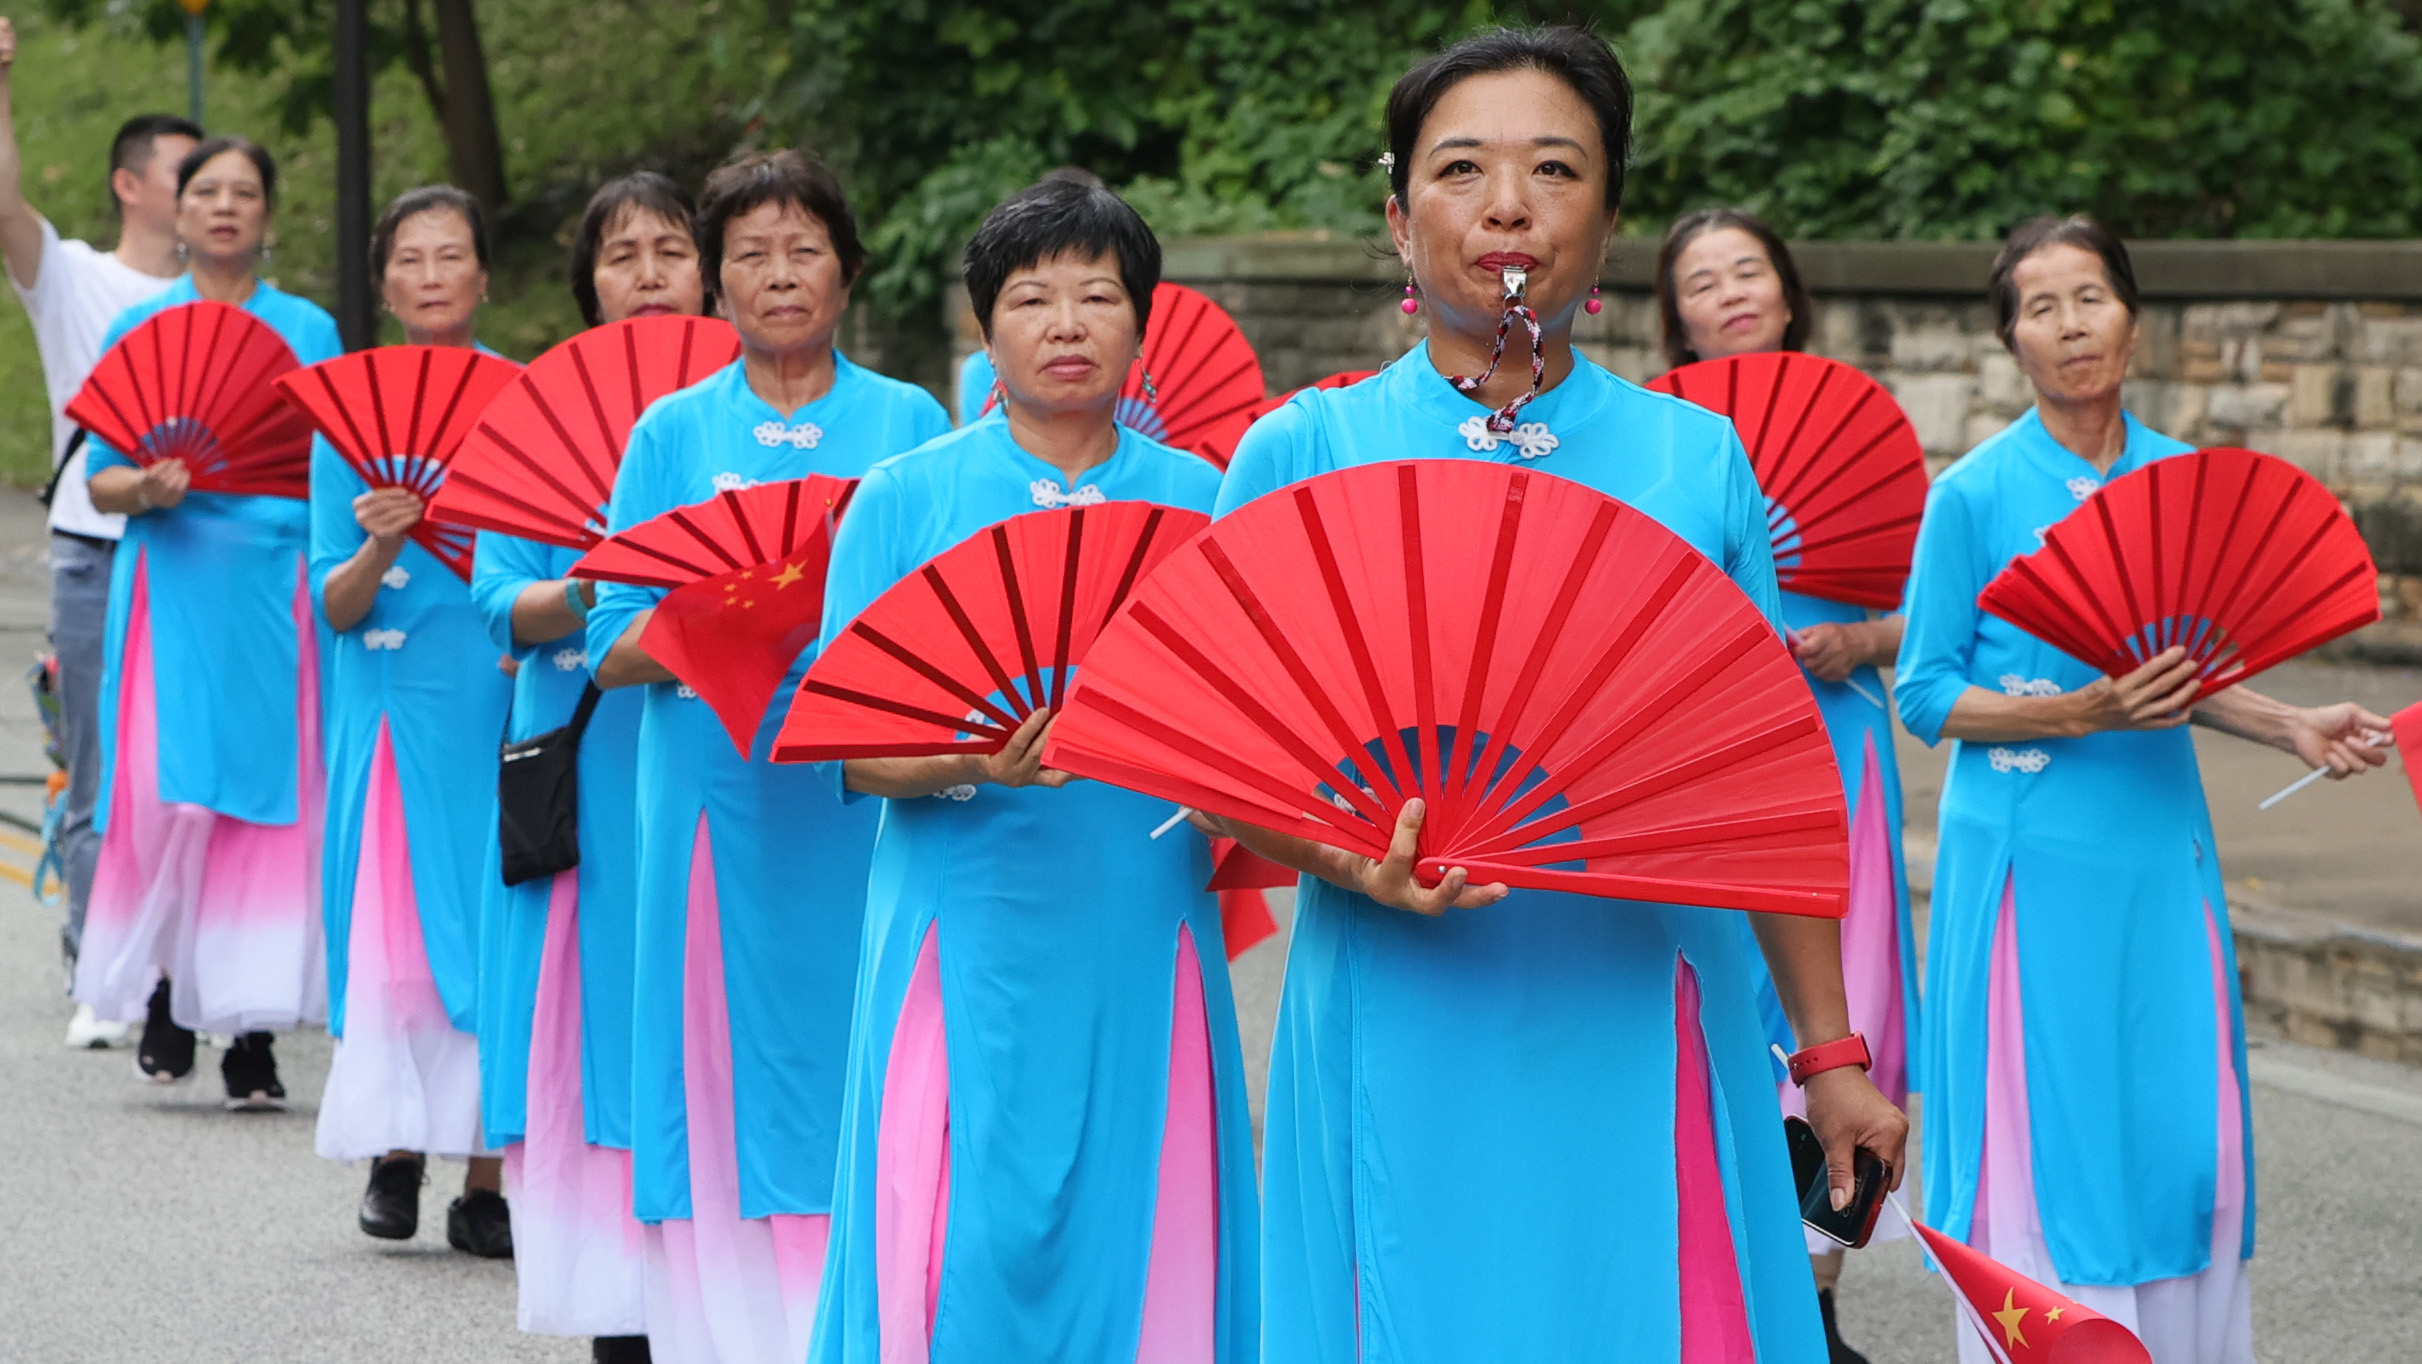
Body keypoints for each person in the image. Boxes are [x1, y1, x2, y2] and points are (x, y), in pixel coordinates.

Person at [1213, 27, 1907, 1361]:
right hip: (1399, 1007)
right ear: (1396, 214)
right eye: (1460, 169)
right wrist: (1346, 860)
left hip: (1645, 996)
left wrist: (1828, 1056)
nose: (1508, 206)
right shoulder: (1304, 449)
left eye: (1554, 167)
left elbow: (1754, 779)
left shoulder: (1692, 459)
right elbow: (1217, 759)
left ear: (1608, 212)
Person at [1896, 215, 2388, 1364]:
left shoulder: (2181, 481)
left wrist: (2291, 724)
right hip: (2026, 853)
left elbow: (2185, 674)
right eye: (2040, 307)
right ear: (2009, 338)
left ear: (2131, 312)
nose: (2070, 327)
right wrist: (2076, 712)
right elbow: (1922, 696)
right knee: (2052, 1121)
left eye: (2090, 298)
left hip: (2157, 843)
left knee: (2169, 1114)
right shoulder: (1971, 495)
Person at [808, 178, 1257, 1364]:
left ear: (1141, 324)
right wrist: (969, 757)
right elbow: (845, 746)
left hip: (1137, 897)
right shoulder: (905, 498)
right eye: (1032, 298)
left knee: (1138, 1181)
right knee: (963, 1202)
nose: (1067, 323)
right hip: (962, 903)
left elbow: (1254, 725)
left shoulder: (1206, 503)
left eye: (1098, 295)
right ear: (984, 329)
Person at [586, 149, 949, 1364]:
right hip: (710, 797)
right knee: (718, 1069)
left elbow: (945, 619)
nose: (779, 275)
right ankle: (718, 1331)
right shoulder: (668, 432)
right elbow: (604, 646)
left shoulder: (908, 424)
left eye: (803, 249)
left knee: (863, 1049)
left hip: (861, 802)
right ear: (717, 282)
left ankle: (866, 1323)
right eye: (750, 253)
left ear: (847, 270)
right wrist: (721, 622)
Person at [1656, 205, 1917, 1364]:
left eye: (1745, 269)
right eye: (1700, 280)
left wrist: (1861, 641)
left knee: (1841, 1004)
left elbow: (1954, 613)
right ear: (1675, 309)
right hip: (1706, 762)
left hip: (1837, 746)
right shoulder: (1657, 439)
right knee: (1725, 1011)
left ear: (1787, 287)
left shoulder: (1858, 434)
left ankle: (1815, 1295)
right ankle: (1727, 1274)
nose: (1727, 292)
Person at [472, 170, 706, 1364]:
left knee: (704, 1003)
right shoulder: (538, 415)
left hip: (717, 754)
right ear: (586, 284)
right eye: (622, 255)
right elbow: (497, 604)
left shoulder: (740, 414)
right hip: (583, 751)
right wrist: (594, 588)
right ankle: (616, 1292)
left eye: (671, 248)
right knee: (600, 1021)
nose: (650, 272)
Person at [75, 136, 337, 1110]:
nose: (226, 207)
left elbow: (335, 467)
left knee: (265, 809)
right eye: (208, 191)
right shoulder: (139, 326)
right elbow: (98, 476)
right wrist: (142, 483)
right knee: (169, 798)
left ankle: (254, 1028)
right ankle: (164, 992)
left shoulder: (309, 331)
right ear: (178, 213)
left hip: (275, 590)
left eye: (246, 192)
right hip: (172, 583)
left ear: (267, 215)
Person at [311, 185, 515, 1257]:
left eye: (452, 256)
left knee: (490, 924)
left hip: (488, 686)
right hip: (386, 699)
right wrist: (382, 546)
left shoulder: (530, 400)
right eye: (410, 258)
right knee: (392, 931)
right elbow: (332, 604)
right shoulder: (343, 416)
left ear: (485, 276)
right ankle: (396, 1150)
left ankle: (489, 1176)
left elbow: (554, 556)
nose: (432, 275)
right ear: (383, 282)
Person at [0, 15, 199, 1048]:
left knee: (191, 763)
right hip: (95, 548)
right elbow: (3, 202)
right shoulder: (77, 277)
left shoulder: (224, 300)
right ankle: (96, 957)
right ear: (132, 183)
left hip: (203, 552)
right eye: (186, 172)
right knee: (95, 758)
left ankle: (191, 967)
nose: (206, 187)